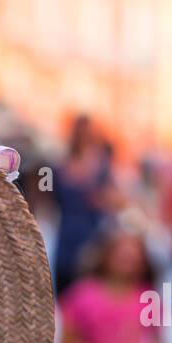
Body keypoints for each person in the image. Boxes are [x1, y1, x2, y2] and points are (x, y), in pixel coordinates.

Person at [52, 116, 118, 298]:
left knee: (89, 291)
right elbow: (50, 196)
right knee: (65, 292)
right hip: (67, 238)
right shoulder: (60, 165)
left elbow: (114, 199)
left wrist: (101, 199)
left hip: (92, 238)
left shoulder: (101, 165)